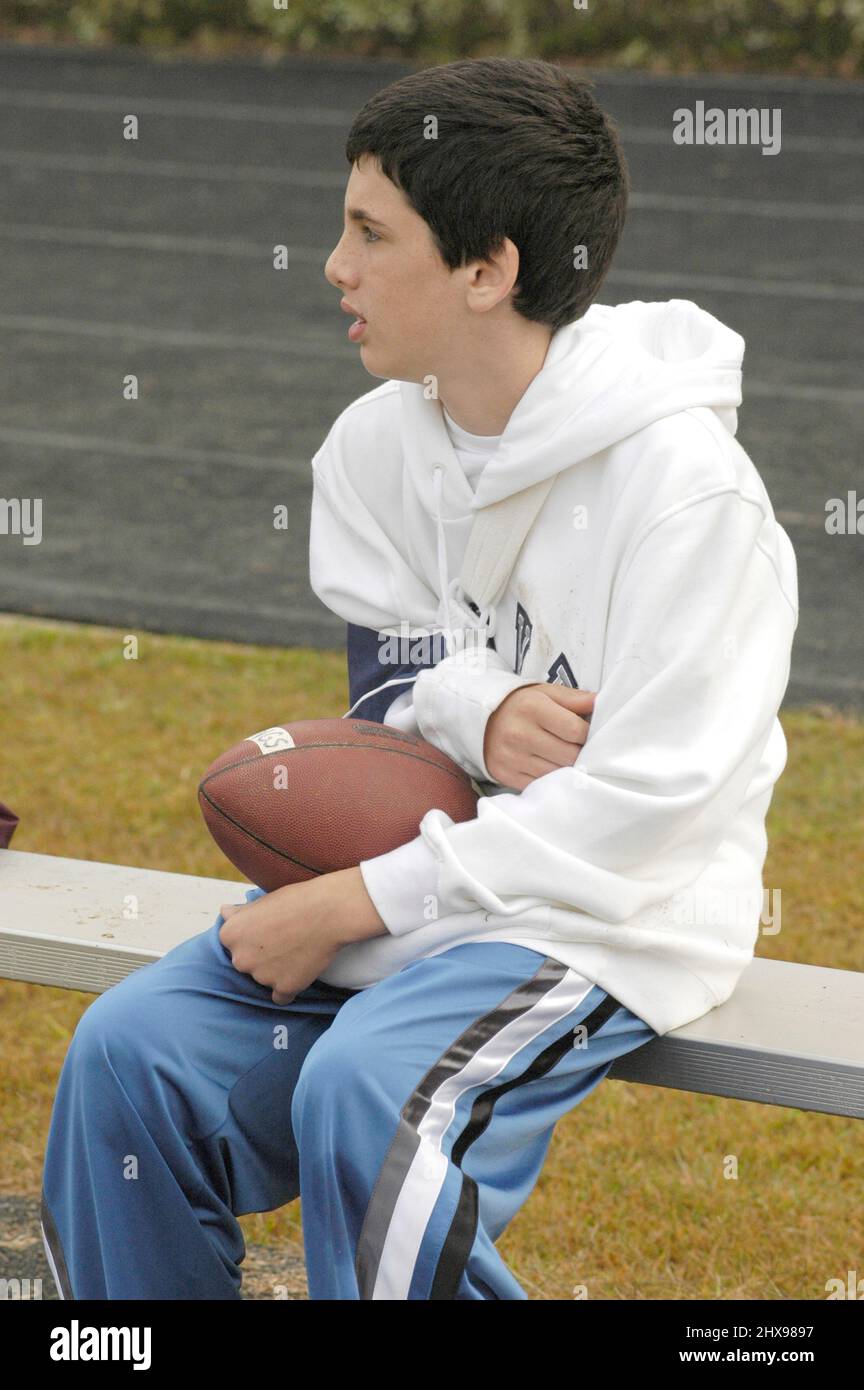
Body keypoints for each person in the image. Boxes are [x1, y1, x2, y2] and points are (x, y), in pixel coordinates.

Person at [40, 57, 797, 1301]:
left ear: (487, 271)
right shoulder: (375, 443)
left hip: (604, 912)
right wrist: (476, 707)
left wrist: (346, 903)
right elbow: (386, 704)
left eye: (369, 233)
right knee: (128, 1048)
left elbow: (645, 816)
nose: (332, 266)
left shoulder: (688, 497)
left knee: (366, 1092)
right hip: (426, 881)